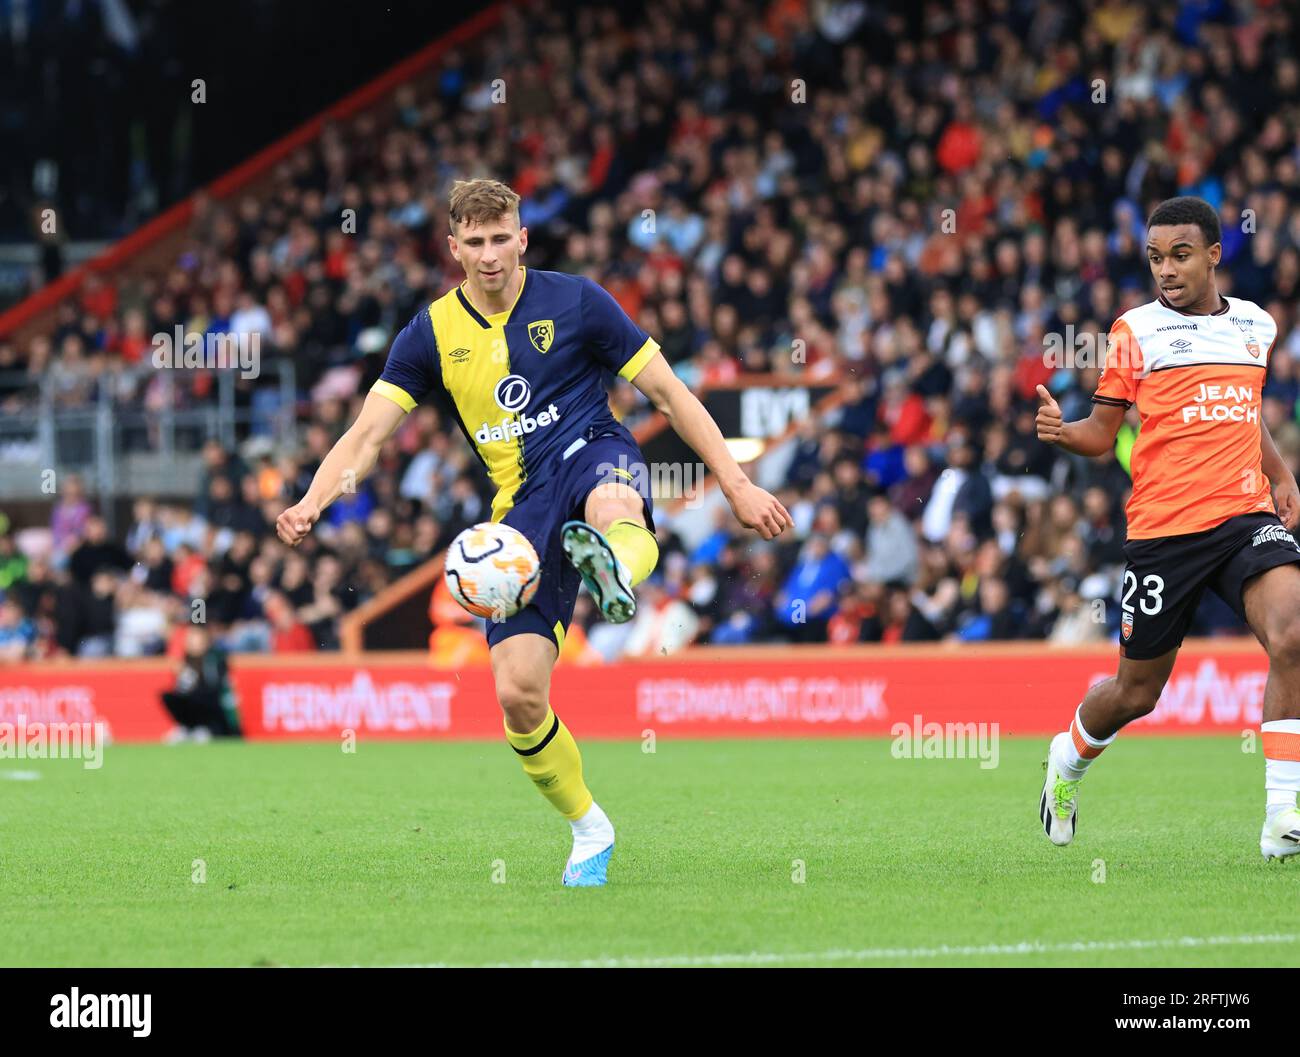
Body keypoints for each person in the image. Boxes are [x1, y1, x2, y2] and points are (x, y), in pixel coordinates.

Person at [275, 179, 790, 886]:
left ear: (522, 238)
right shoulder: (428, 334)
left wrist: (736, 483)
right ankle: (589, 826)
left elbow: (669, 392)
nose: (490, 255)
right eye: (475, 242)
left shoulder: (577, 302)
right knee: (519, 694)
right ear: (454, 248)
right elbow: (366, 435)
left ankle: (614, 566)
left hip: (594, 447)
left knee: (614, 505)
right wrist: (311, 500)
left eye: (501, 239)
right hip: (520, 513)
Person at [1035, 196, 1300, 859]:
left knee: (1294, 631)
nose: (1167, 270)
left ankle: (1281, 816)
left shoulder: (1255, 326)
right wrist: (1061, 431)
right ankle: (1065, 759)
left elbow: (1245, 411)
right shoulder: (1135, 331)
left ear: (1215, 254)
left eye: (1180, 255)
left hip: (1245, 518)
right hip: (1166, 533)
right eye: (1155, 257)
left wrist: (1281, 473)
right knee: (1136, 691)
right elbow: (1102, 435)